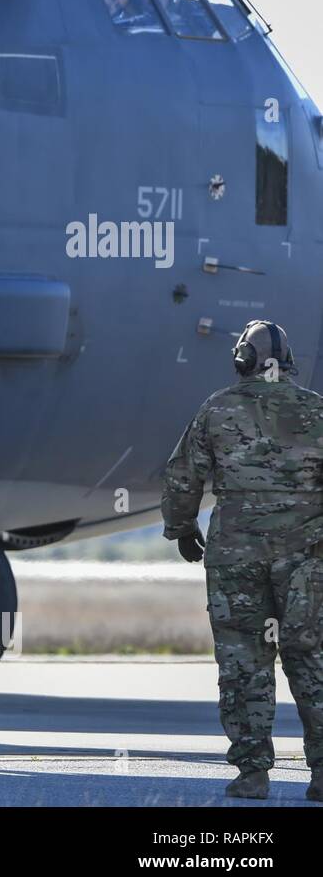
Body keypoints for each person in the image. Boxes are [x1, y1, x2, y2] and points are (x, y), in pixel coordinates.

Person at [162, 320, 323, 803]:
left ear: (242, 361)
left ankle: (252, 772)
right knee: (311, 658)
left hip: (236, 558)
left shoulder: (217, 408)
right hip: (306, 562)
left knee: (243, 663)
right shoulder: (318, 412)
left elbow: (183, 475)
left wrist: (181, 528)